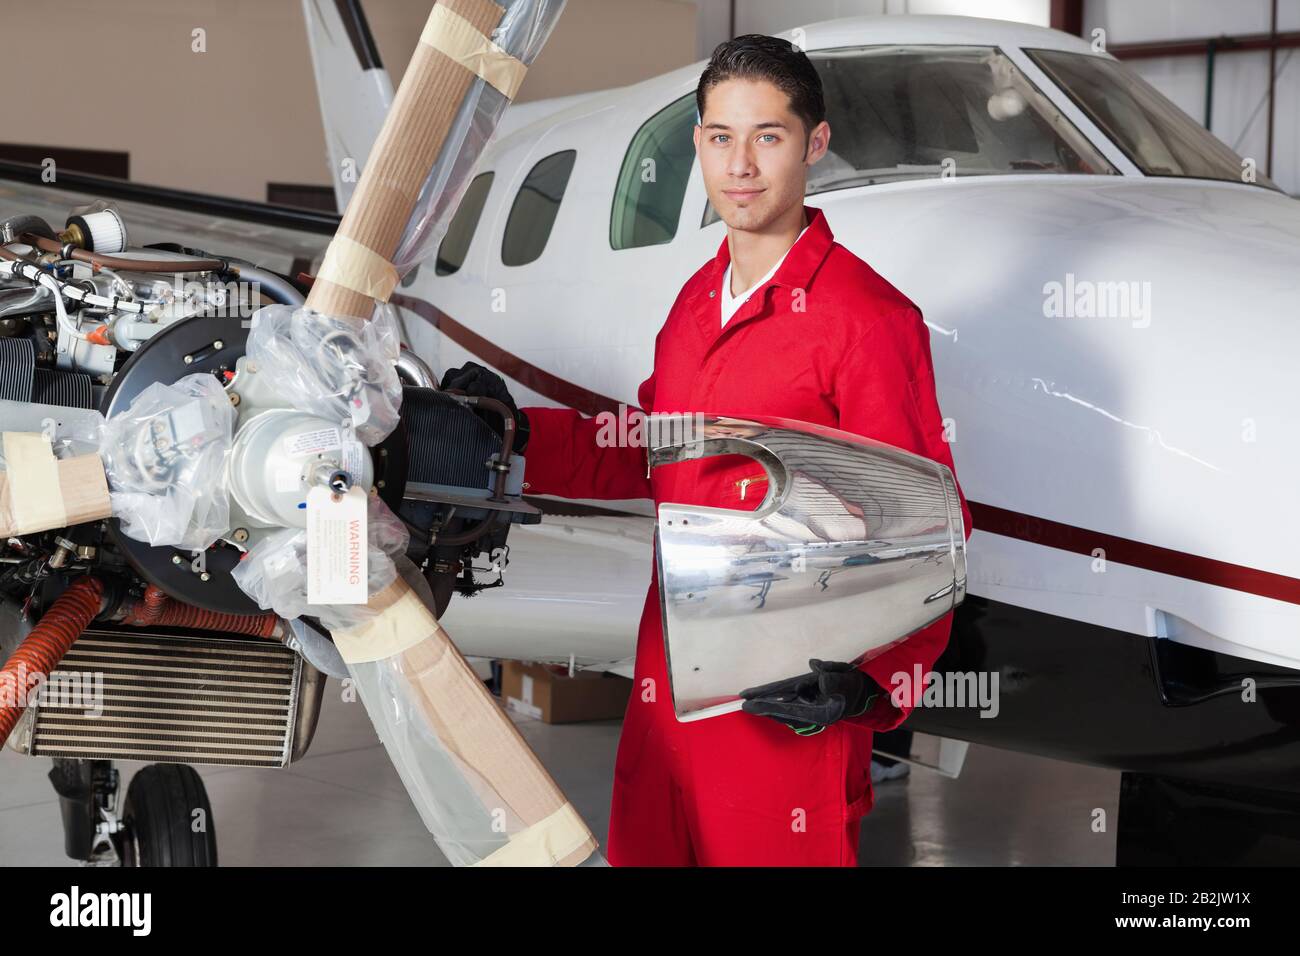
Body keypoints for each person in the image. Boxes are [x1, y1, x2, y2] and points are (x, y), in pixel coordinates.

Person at [440, 33, 971, 866]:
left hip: (784, 710)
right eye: (721, 137)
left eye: (770, 136)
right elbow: (650, 450)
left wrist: (875, 687)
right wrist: (501, 434)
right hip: (664, 701)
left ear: (815, 144)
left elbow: (928, 529)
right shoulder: (693, 302)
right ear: (698, 147)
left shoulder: (868, 321)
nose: (743, 165)